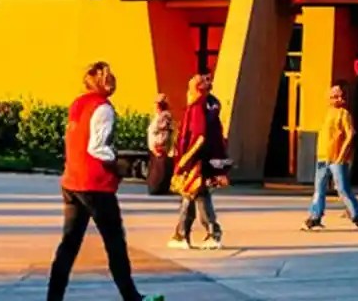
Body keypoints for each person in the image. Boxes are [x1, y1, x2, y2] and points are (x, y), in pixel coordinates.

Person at [47, 61, 162, 301]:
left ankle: (53, 298)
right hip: (95, 185)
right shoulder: (103, 108)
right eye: (110, 78)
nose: (114, 82)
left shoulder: (78, 104)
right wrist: (120, 165)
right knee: (115, 243)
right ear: (101, 82)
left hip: (72, 182)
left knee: (69, 244)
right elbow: (97, 148)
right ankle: (132, 297)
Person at [168, 74, 229, 250]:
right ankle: (201, 232)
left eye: (189, 89)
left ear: (195, 90)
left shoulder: (197, 108)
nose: (187, 93)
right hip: (207, 158)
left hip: (196, 160)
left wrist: (185, 158)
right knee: (198, 195)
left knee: (190, 194)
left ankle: (186, 234)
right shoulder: (211, 106)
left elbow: (199, 136)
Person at [302, 81, 358, 230]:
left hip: (337, 158)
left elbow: (350, 134)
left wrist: (342, 154)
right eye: (333, 96)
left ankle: (357, 213)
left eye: (339, 96)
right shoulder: (327, 113)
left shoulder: (344, 114)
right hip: (323, 156)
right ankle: (315, 216)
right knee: (319, 189)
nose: (337, 99)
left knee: (342, 189)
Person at [145, 94, 174, 196]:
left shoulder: (164, 116)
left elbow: (164, 133)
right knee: (157, 169)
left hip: (159, 148)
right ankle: (156, 187)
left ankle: (158, 188)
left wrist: (159, 145)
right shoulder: (159, 115)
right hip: (155, 148)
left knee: (159, 169)